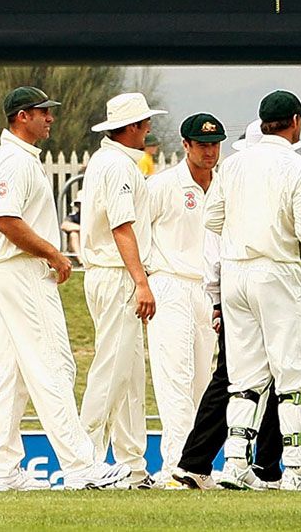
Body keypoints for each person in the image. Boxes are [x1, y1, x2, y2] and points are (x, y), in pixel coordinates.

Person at [0, 85, 129, 491]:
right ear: (21, 117)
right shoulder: (13, 160)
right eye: (42, 112)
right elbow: (7, 221)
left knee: (12, 372)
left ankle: (1, 470)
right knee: (53, 365)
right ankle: (81, 465)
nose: (50, 118)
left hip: (13, 270)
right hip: (21, 270)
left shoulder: (19, 157)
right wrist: (55, 254)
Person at [203, 90, 301, 491]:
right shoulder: (297, 165)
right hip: (277, 269)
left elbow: (212, 217)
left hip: (236, 272)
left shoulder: (234, 164)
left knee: (243, 374)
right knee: (290, 372)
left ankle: (235, 462)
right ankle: (294, 468)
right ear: (294, 121)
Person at [169, 118, 287, 491]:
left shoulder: (230, 181)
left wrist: (219, 298)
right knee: (278, 373)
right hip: (260, 287)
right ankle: (264, 467)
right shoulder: (251, 185)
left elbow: (211, 246)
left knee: (233, 378)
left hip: (234, 290)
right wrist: (217, 300)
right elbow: (213, 245)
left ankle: (199, 461)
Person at [78, 92, 163, 489]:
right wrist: (141, 281)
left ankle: (131, 465)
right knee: (112, 367)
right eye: (144, 123)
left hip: (113, 273)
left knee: (129, 372)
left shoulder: (112, 161)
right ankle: (86, 461)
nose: (148, 129)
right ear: (129, 128)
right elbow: (121, 226)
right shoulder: (116, 166)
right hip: (117, 275)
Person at [144, 113, 225, 483]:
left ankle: (194, 465)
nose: (210, 151)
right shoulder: (162, 185)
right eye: (202, 144)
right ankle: (175, 463)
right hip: (170, 282)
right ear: (186, 145)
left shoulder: (225, 185)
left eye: (214, 144)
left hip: (208, 290)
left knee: (202, 383)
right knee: (174, 375)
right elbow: (135, 232)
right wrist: (144, 281)